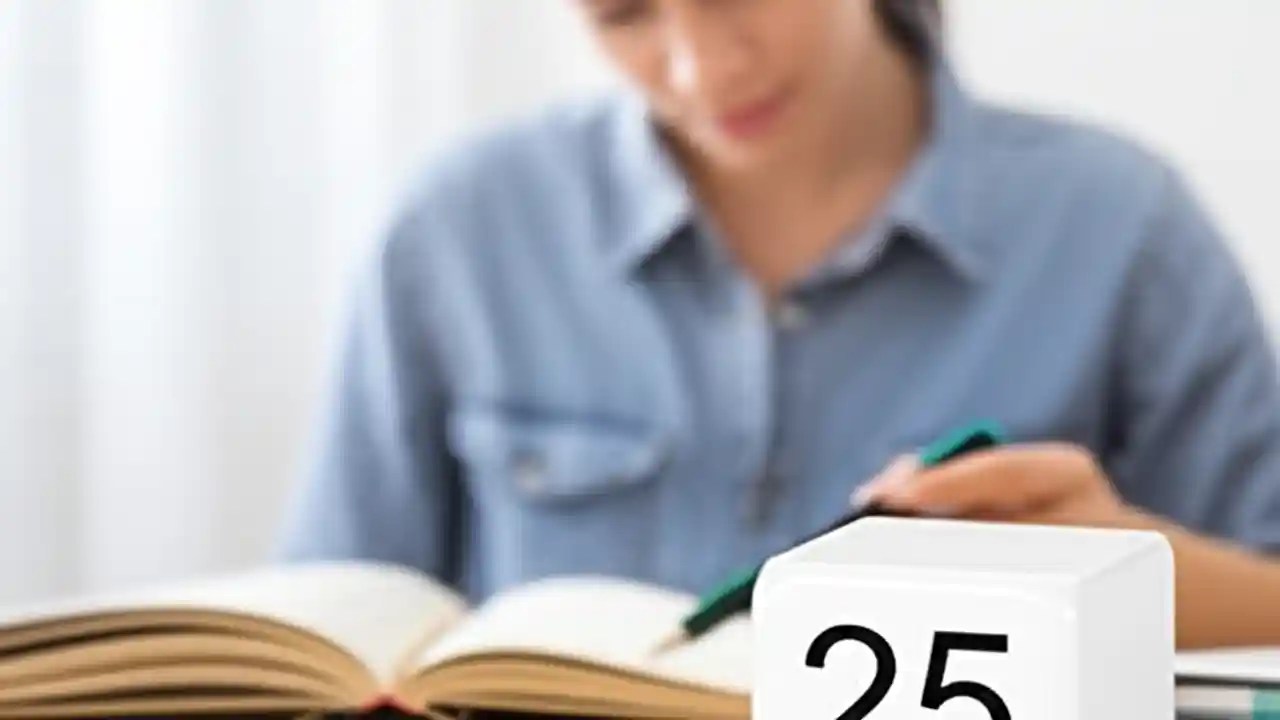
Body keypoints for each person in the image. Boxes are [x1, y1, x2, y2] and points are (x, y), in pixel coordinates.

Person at [282, 0, 1280, 647]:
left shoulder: (1118, 225)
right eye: (623, 15)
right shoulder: (459, 228)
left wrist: (1130, 580)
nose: (700, 70)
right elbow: (337, 629)